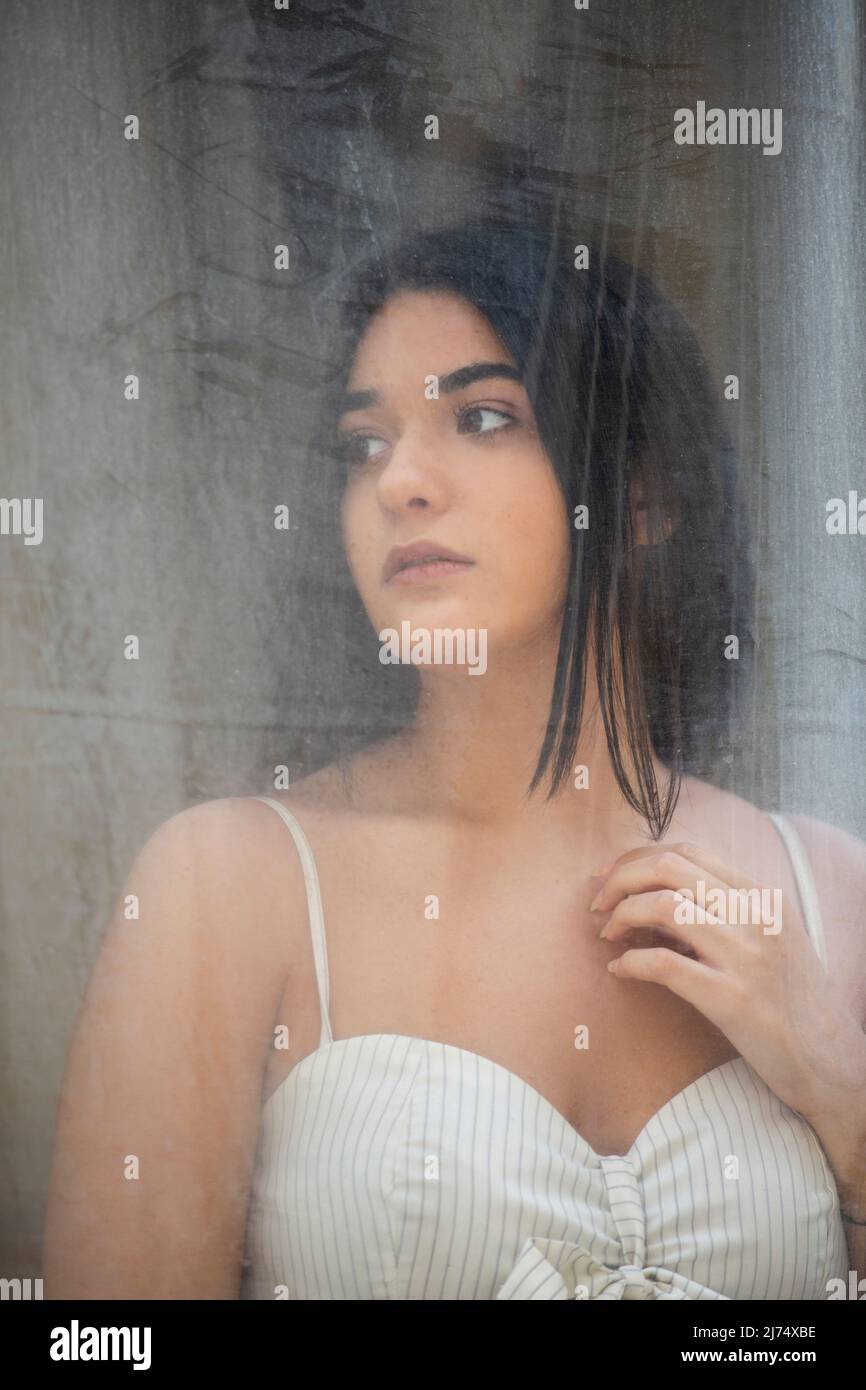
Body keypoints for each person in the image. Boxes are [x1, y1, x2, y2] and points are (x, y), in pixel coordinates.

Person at [43, 217, 866, 1300]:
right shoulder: (225, 884)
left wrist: (845, 1101)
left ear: (644, 496)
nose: (400, 484)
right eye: (363, 444)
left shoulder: (827, 893)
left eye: (481, 417)